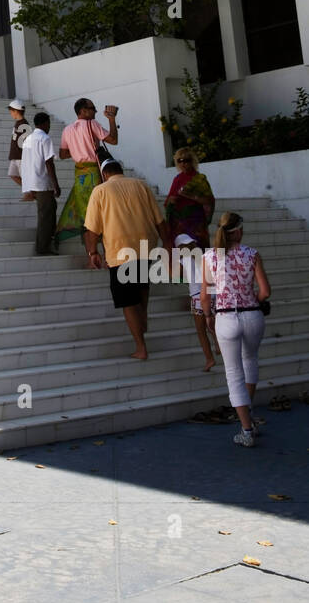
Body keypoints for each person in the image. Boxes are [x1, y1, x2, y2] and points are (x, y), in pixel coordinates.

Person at [83, 160, 169, 361]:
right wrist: (167, 243)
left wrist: (92, 252)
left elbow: (92, 229)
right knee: (141, 287)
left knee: (128, 301)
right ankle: (143, 318)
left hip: (120, 251)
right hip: (145, 247)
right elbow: (160, 220)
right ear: (121, 171)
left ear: (104, 174)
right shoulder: (141, 185)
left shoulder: (100, 191)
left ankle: (141, 347)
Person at [201, 211, 271, 448]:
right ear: (239, 231)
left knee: (233, 373)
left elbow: (204, 296)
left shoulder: (210, 257)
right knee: (250, 360)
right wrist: (256, 300)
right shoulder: (252, 254)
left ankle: (246, 429)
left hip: (225, 318)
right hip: (252, 314)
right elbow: (265, 291)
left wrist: (209, 317)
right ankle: (247, 418)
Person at [165, 148, 217, 370]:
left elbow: (209, 202)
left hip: (197, 229)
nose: (184, 163)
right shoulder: (177, 179)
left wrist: (190, 197)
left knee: (206, 318)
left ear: (193, 161)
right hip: (183, 230)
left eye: (187, 160)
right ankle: (212, 354)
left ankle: (212, 354)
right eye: (180, 161)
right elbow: (168, 204)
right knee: (204, 318)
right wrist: (174, 200)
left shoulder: (200, 179)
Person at [55, 98, 119, 259]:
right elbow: (113, 140)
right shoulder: (92, 124)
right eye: (92, 109)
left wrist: (78, 150)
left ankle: (91, 256)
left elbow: (62, 154)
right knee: (102, 213)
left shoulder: (67, 130)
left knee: (85, 216)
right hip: (94, 173)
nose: (95, 112)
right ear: (83, 111)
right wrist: (111, 119)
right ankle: (107, 256)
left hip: (79, 175)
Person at [20, 112, 61, 255]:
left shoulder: (28, 139)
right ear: (45, 123)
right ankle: (43, 247)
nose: (49, 126)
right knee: (46, 215)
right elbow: (49, 162)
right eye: (48, 123)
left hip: (31, 181)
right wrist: (55, 184)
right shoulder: (45, 138)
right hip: (42, 182)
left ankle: (47, 241)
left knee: (48, 211)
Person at [7, 99, 32, 189]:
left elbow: (28, 142)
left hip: (21, 156)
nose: (11, 114)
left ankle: (30, 192)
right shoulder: (18, 123)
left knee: (24, 177)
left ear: (16, 111)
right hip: (15, 155)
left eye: (11, 111)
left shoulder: (24, 124)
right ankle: (30, 191)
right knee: (12, 174)